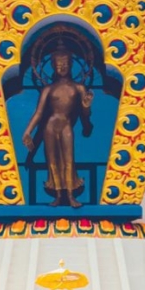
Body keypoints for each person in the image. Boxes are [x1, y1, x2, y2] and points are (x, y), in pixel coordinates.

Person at [22, 43, 93, 206]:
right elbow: (39, 113)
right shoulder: (48, 88)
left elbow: (85, 118)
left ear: (71, 64)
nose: (62, 67)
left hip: (66, 125)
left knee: (69, 160)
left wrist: (86, 106)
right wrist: (27, 132)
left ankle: (70, 195)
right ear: (53, 66)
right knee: (52, 161)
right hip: (50, 126)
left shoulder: (79, 88)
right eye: (58, 64)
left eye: (66, 63)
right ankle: (58, 195)